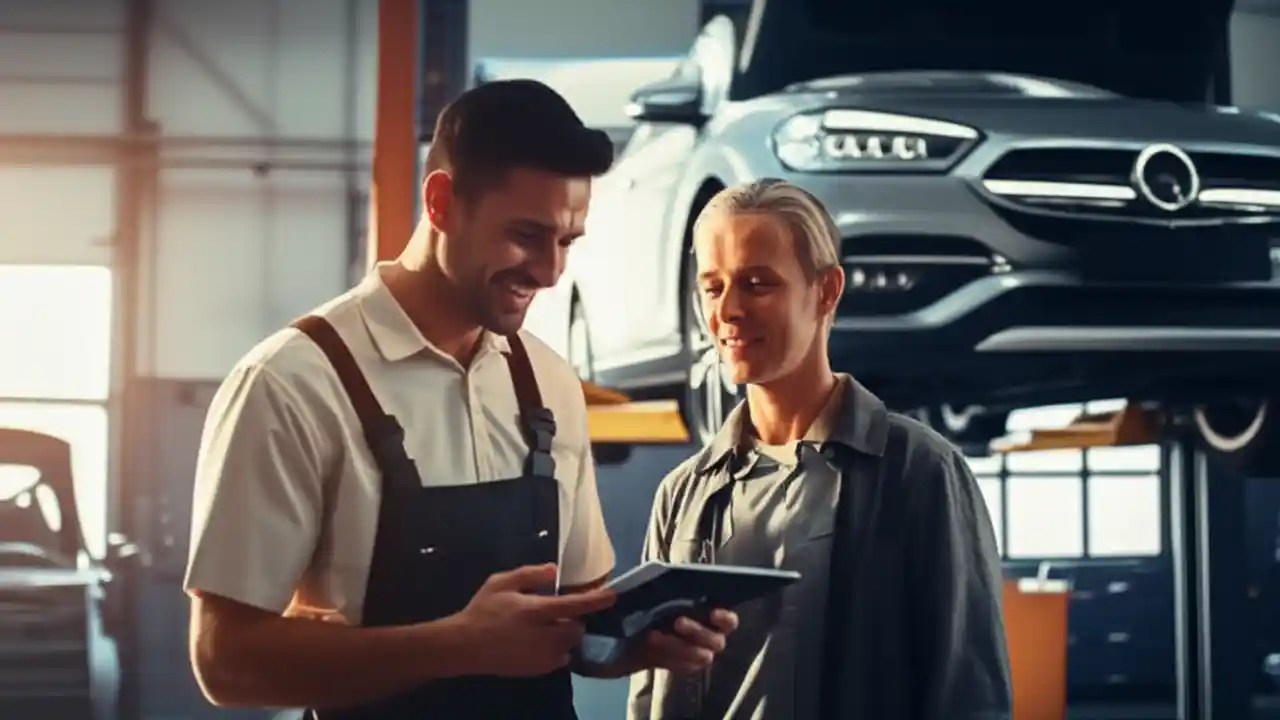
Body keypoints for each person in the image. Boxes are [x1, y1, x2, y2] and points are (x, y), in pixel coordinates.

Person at [182, 79, 738, 720]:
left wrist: (645, 641)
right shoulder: (292, 385)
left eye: (567, 242)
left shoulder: (549, 383)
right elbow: (224, 661)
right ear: (442, 202)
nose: (551, 272)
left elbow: (577, 629)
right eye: (526, 235)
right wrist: (457, 645)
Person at [627, 178, 1012, 720]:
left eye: (757, 283)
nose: (729, 310)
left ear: (826, 290)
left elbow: (968, 696)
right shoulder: (684, 493)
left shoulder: (918, 471)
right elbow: (651, 695)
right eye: (712, 288)